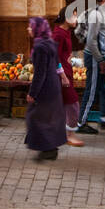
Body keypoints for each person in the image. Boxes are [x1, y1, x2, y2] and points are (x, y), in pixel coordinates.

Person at [24, 16, 67, 160]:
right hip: (53, 85)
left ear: (37, 28)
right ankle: (50, 148)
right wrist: (63, 77)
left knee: (36, 118)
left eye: (31, 26)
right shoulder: (50, 42)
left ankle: (48, 149)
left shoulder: (40, 47)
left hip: (45, 87)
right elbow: (57, 63)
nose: (28, 29)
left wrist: (33, 93)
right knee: (47, 118)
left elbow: (40, 73)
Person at [75, 0, 105, 134]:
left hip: (100, 56)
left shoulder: (102, 13)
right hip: (94, 57)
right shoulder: (97, 15)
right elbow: (91, 41)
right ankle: (81, 123)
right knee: (91, 90)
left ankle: (104, 118)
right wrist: (100, 61)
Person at [52, 9, 84, 147]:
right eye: (74, 17)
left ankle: (62, 133)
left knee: (64, 104)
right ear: (66, 18)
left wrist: (70, 58)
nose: (76, 20)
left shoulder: (66, 32)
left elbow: (64, 53)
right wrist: (63, 76)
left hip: (67, 71)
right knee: (73, 104)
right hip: (61, 75)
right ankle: (70, 135)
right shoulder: (58, 34)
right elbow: (55, 57)